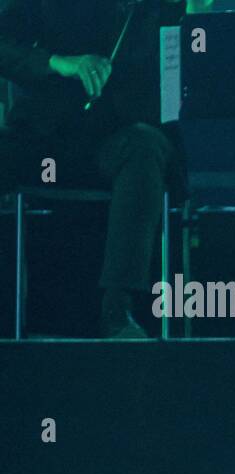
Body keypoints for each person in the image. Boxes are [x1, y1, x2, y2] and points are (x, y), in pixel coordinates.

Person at [0, 0, 203, 338]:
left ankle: (117, 308)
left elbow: (191, 70)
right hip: (45, 137)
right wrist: (57, 62)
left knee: (144, 146)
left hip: (115, 140)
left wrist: (195, 18)